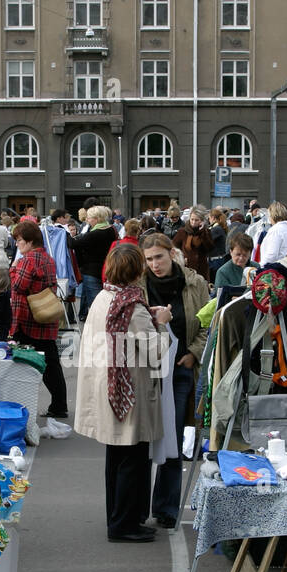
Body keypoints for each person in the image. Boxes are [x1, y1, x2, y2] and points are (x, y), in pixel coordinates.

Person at [74, 243, 172, 543]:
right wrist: (163, 324)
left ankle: (117, 519)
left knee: (116, 459)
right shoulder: (131, 305)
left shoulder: (105, 296)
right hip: (129, 391)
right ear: (135, 271)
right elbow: (156, 352)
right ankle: (125, 525)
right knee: (132, 459)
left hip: (107, 387)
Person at [140, 233, 209, 527]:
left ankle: (166, 507)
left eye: (159, 257)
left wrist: (194, 353)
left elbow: (209, 324)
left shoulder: (194, 283)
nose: (155, 264)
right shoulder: (138, 286)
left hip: (180, 369)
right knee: (142, 439)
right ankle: (138, 507)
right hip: (147, 370)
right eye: (149, 259)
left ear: (172, 254)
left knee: (174, 435)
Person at [10, 221, 68, 419]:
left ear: (29, 241)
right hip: (46, 315)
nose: (17, 244)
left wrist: (13, 270)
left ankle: (21, 406)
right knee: (52, 364)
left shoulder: (27, 260)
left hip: (28, 318)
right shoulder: (48, 258)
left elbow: (18, 286)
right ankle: (59, 404)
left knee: (25, 363)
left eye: (19, 240)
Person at [71, 205, 117, 320]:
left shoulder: (95, 234)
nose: (87, 220)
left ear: (96, 219)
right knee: (105, 301)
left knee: (96, 304)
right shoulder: (111, 229)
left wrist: (65, 235)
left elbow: (73, 244)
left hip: (92, 271)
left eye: (89, 218)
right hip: (107, 270)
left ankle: (98, 329)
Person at [173, 205, 213, 278]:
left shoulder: (206, 232)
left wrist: (203, 232)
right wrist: (181, 258)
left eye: (196, 220)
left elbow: (209, 248)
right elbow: (174, 247)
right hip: (186, 267)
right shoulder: (183, 231)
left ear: (202, 220)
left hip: (201, 268)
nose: (193, 222)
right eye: (192, 219)